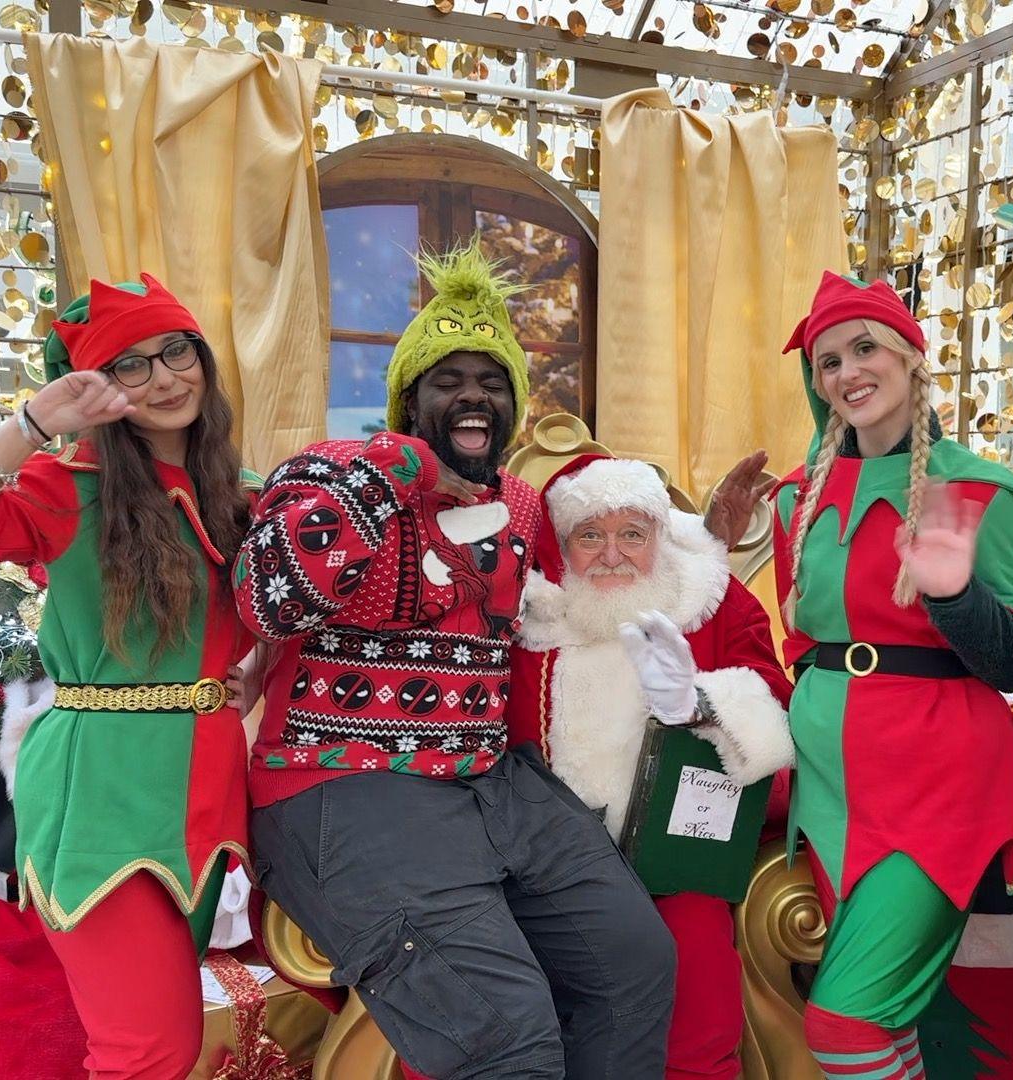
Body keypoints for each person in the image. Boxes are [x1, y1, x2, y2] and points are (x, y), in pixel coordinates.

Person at [234, 244, 676, 1080]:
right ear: (409, 400)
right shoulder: (334, 470)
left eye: (493, 382)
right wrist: (395, 470)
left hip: (491, 784)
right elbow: (269, 600)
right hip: (348, 783)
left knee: (633, 964)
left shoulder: (520, 504)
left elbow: (622, 566)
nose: (474, 395)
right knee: (504, 1041)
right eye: (448, 380)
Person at [0, 273, 257, 1079]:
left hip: (207, 788)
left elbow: (295, 610)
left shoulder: (241, 497)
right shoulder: (66, 489)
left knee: (167, 1043)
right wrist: (31, 426)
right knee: (147, 1052)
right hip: (100, 789)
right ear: (100, 386)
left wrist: (254, 677)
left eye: (175, 352)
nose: (164, 378)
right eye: (131, 365)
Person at [769, 272, 1013, 1080]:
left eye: (865, 348)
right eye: (828, 362)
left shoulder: (981, 490)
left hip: (938, 781)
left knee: (844, 1025)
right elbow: (800, 643)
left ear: (910, 355)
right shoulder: (796, 500)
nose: (847, 373)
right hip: (831, 787)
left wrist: (954, 595)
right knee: (889, 1023)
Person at [508, 455, 795, 1080]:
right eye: (590, 535)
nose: (612, 555)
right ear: (561, 544)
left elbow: (777, 703)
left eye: (632, 534)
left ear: (658, 537)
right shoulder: (525, 622)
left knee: (697, 1004)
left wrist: (701, 705)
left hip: (677, 858)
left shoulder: (709, 600)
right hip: (548, 869)